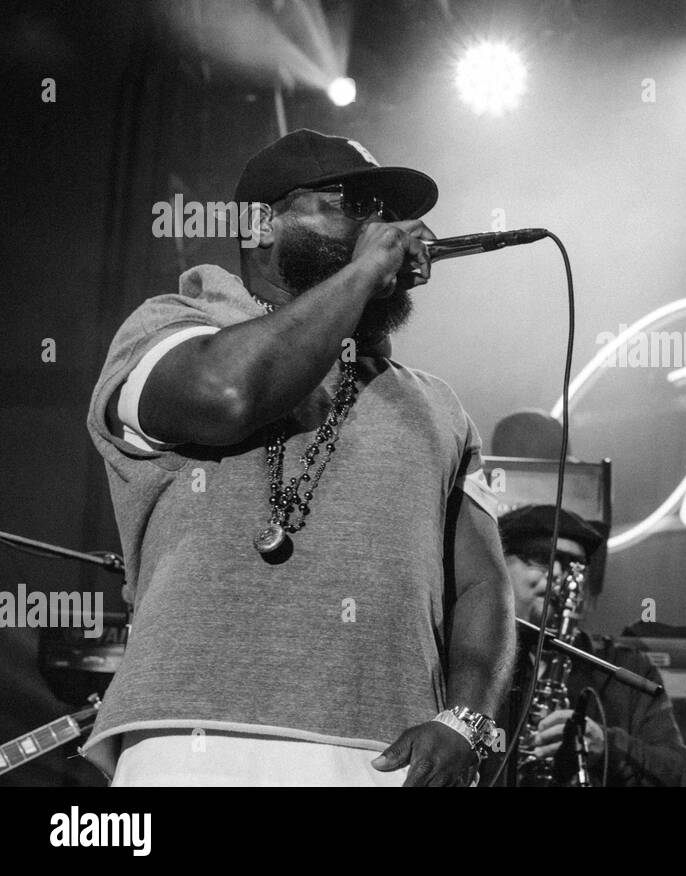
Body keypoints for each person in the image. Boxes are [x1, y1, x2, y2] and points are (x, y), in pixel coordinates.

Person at [82, 129, 515, 786]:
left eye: (386, 212)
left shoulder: (438, 406)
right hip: (190, 743)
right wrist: (365, 269)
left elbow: (485, 584)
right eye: (353, 204)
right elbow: (227, 395)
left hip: (379, 757)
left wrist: (466, 721)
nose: (381, 226)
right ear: (261, 224)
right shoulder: (169, 330)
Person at [492, 505, 686, 786]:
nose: (559, 575)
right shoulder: (469, 662)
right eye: (541, 558)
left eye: (574, 564)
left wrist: (605, 745)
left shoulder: (628, 668)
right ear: (499, 563)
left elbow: (678, 775)